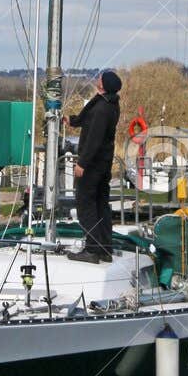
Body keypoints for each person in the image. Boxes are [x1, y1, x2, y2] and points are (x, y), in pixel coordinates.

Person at [68, 70, 122, 263]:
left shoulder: (102, 109)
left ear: (104, 85)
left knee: (86, 203)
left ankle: (92, 249)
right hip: (103, 164)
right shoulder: (110, 103)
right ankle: (104, 248)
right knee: (101, 204)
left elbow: (94, 139)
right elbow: (88, 117)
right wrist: (72, 120)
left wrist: (82, 163)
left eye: (100, 78)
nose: (97, 79)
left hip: (93, 165)